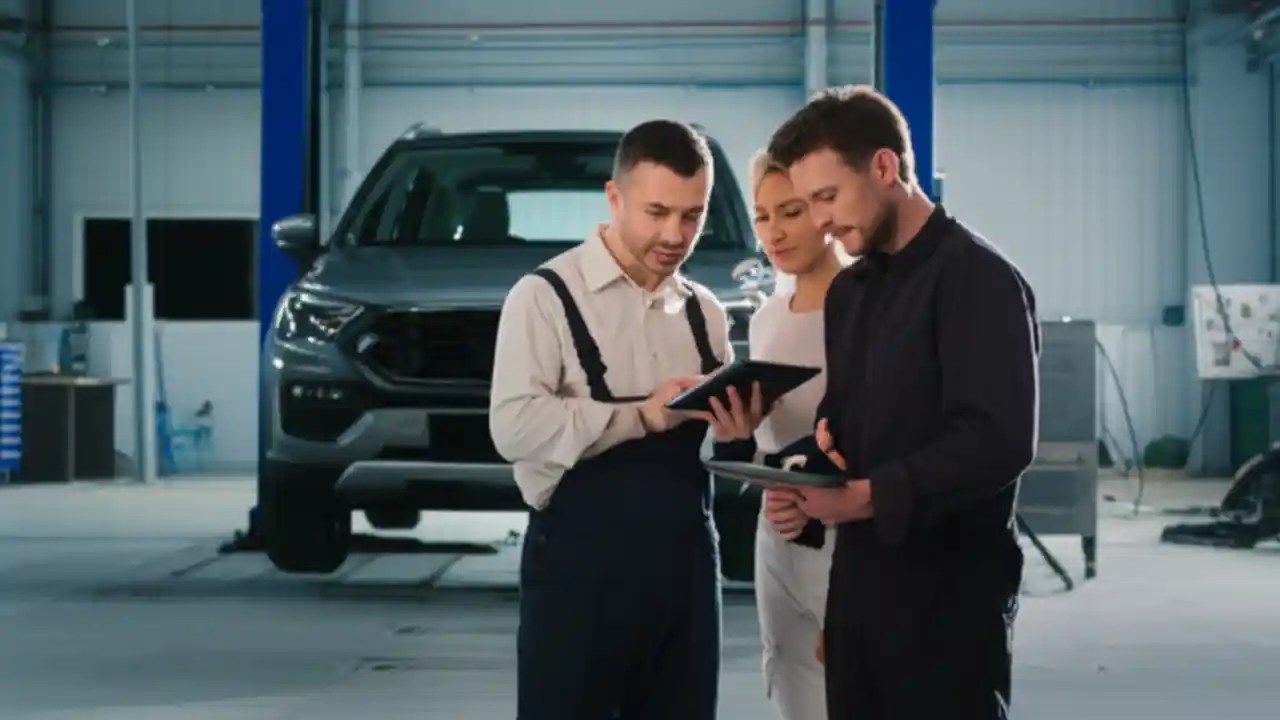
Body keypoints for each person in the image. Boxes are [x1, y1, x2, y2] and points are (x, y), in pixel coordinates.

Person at [763, 84, 1041, 719]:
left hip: (949, 603)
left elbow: (998, 440)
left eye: (827, 197)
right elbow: (846, 424)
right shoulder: (851, 292)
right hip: (859, 594)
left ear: (885, 167)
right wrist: (802, 478)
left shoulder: (978, 278)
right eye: (808, 204)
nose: (819, 221)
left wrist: (866, 496)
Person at [488, 119, 732, 720]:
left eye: (693, 215)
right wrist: (641, 417)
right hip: (579, 578)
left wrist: (740, 429)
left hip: (686, 576)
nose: (675, 234)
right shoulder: (544, 297)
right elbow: (513, 428)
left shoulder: (705, 313)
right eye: (657, 212)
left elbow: (720, 451)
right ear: (614, 198)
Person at [703, 148, 848, 720]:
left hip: (848, 543)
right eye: (762, 216)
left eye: (790, 212)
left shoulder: (869, 308)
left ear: (825, 207)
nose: (774, 232)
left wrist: (809, 491)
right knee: (793, 695)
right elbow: (765, 447)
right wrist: (735, 439)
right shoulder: (766, 318)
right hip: (779, 540)